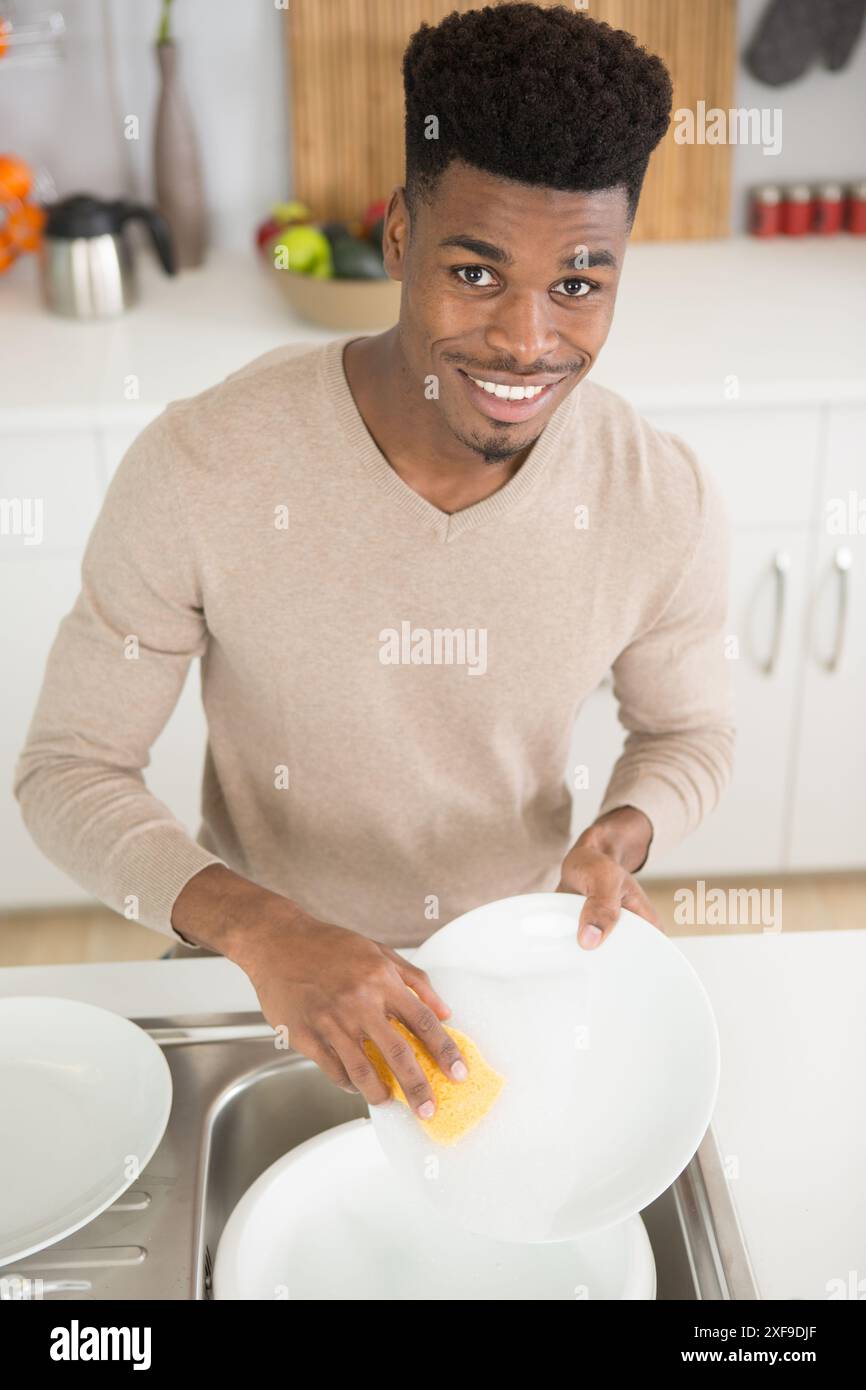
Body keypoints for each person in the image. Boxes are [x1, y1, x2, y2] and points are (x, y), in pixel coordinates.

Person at [14, 4, 734, 1121]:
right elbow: (67, 771)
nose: (526, 342)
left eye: (579, 283)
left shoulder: (655, 493)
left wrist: (620, 832)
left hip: (514, 979)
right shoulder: (206, 461)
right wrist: (267, 929)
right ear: (399, 237)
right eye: (476, 272)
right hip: (261, 979)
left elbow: (688, 732)